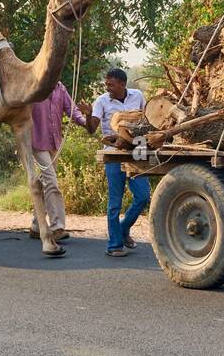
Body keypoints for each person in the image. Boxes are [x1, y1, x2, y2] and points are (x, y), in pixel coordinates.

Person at [85, 68, 149, 257]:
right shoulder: (101, 101)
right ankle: (114, 245)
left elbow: (147, 120)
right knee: (115, 201)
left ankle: (122, 230)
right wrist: (88, 115)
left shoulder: (137, 96)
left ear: (122, 84)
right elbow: (91, 129)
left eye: (111, 84)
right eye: (106, 84)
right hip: (113, 154)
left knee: (143, 196)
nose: (108, 88)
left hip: (137, 150)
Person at [27, 80, 87, 242]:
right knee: (52, 182)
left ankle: (35, 224)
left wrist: (85, 122)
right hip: (37, 142)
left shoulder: (60, 87)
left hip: (55, 142)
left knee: (45, 182)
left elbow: (72, 110)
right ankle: (57, 227)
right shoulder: (35, 86)